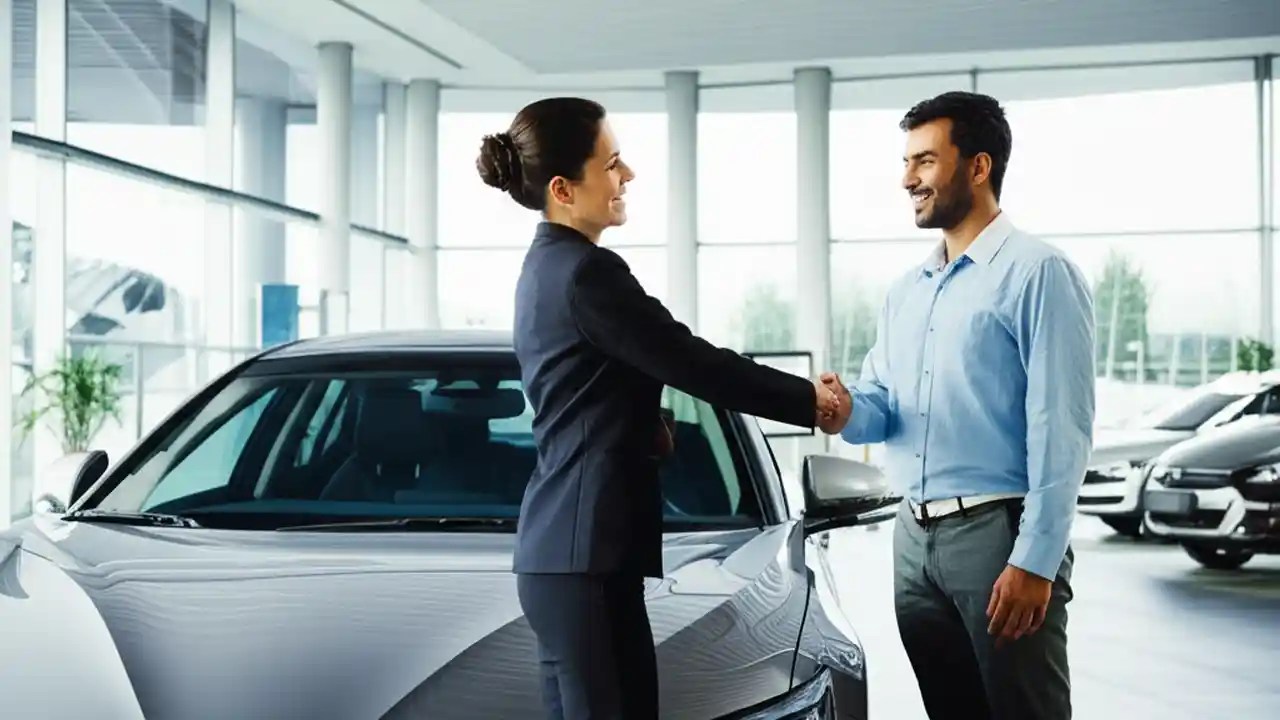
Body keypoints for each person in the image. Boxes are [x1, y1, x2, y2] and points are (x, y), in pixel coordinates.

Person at [476, 96, 846, 720]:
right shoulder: (588, 273)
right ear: (563, 189)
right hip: (587, 557)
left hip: (560, 558)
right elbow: (690, 361)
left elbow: (589, 391)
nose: (628, 175)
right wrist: (809, 400)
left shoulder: (543, 267)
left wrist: (645, 427)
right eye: (611, 164)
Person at [820, 91, 1095, 719]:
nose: (907, 179)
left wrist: (1035, 560)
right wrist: (846, 410)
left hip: (998, 536)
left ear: (978, 166)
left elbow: (1062, 428)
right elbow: (884, 404)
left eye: (924, 160)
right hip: (913, 539)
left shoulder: (1038, 273)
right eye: (906, 162)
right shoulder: (907, 291)